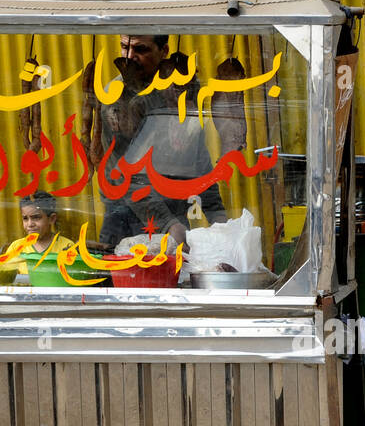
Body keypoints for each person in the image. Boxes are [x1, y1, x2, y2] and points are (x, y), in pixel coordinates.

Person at [98, 34, 243, 250]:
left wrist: (217, 216)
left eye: (141, 49)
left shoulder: (182, 86)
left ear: (164, 51)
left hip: (173, 209)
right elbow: (124, 173)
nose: (129, 57)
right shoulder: (117, 97)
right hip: (126, 215)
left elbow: (197, 155)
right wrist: (167, 224)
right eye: (124, 47)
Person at [14, 191, 73, 278]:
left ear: (52, 219)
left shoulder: (67, 247)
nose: (30, 224)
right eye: (25, 218)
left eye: (36, 217)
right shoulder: (16, 248)